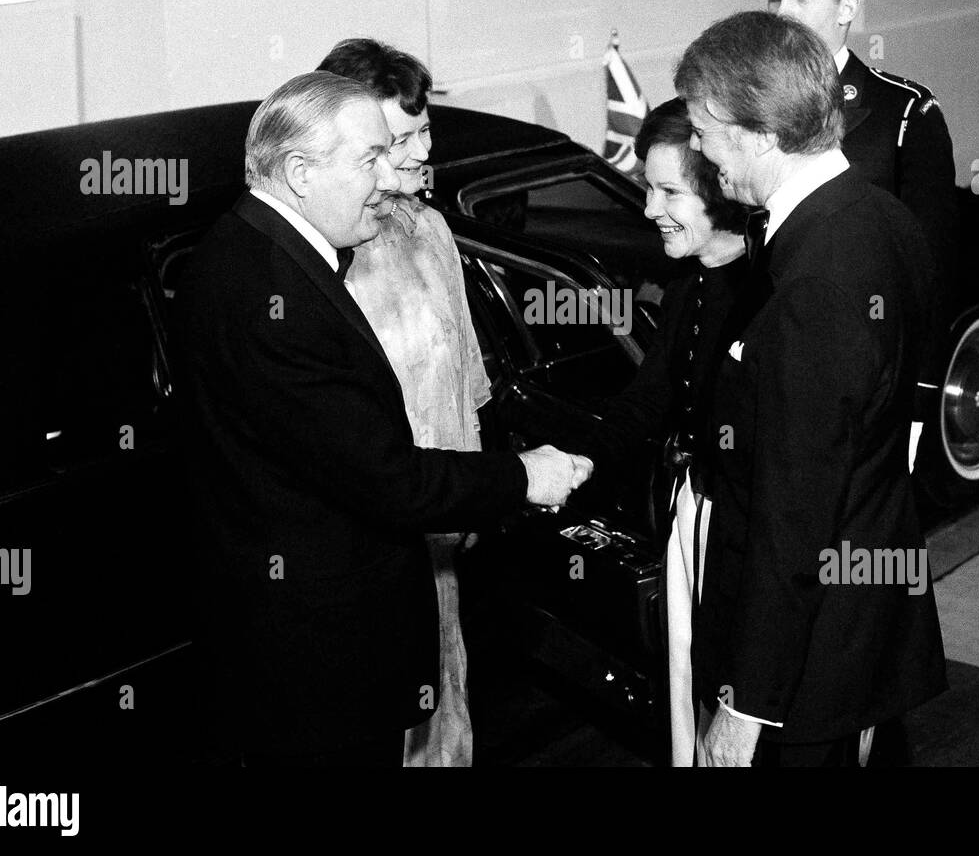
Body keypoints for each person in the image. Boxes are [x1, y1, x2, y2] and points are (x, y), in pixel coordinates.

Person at [178, 71, 589, 767]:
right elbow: (387, 480)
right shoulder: (276, 295)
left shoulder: (239, 250)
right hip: (318, 654)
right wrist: (524, 476)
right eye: (370, 159)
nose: (390, 177)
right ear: (301, 172)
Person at [675, 11, 947, 767]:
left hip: (803, 670)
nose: (696, 147)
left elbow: (793, 514)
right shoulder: (880, 218)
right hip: (855, 633)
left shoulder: (816, 280)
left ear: (758, 133)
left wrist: (746, 706)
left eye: (703, 129)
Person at [316, 37, 482, 767]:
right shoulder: (324, 262)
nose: (419, 151)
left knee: (443, 721)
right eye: (396, 138)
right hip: (366, 556)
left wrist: (474, 496)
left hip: (440, 542)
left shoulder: (431, 230)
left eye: (423, 129)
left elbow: (466, 379)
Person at [570, 98, 748, 766]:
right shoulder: (688, 280)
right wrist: (572, 466)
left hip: (750, 537)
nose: (648, 209)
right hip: (694, 522)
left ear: (721, 189)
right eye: (649, 187)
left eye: (668, 190)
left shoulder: (774, 286)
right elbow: (646, 402)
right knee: (693, 692)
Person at [750, 0, 959, 464]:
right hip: (764, 374)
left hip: (862, 388)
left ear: (847, 9)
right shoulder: (745, 108)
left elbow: (927, 273)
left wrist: (916, 401)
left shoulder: (903, 115)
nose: (783, 12)